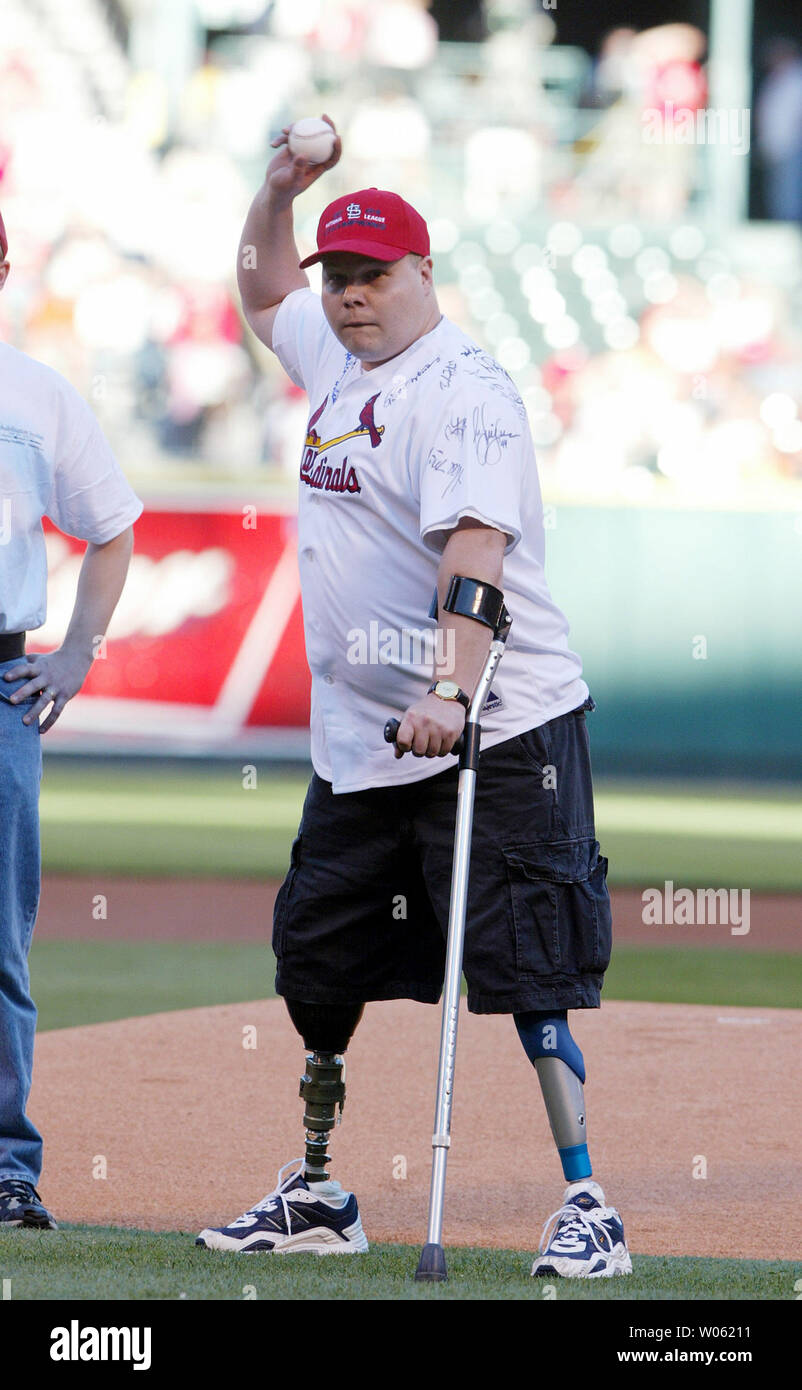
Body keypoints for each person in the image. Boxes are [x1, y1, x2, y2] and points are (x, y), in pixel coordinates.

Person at [196, 120, 632, 1278]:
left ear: (423, 272)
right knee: (317, 960)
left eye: (372, 274)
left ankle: (587, 1203)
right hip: (362, 744)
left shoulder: (465, 391)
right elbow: (256, 289)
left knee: (529, 962)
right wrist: (277, 183)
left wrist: (450, 690)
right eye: (338, 275)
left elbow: (474, 557)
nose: (346, 296)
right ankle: (323, 1187)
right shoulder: (336, 353)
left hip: (497, 723)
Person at [0, 210, 142, 1230]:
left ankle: (7, 1164)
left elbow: (113, 524)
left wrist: (81, 651)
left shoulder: (37, 393)